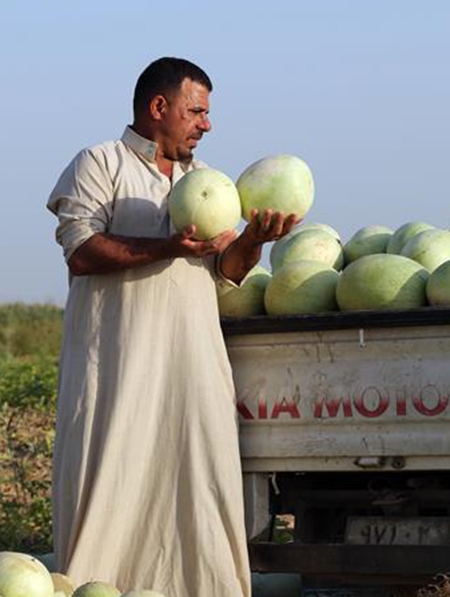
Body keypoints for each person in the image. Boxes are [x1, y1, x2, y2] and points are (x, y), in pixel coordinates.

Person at [46, 57, 297, 596]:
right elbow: (82, 252)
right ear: (159, 108)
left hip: (192, 370)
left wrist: (254, 239)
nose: (206, 125)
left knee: (198, 494)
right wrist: (167, 247)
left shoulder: (206, 183)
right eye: (197, 111)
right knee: (109, 488)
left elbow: (227, 268)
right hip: (116, 370)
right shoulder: (100, 162)